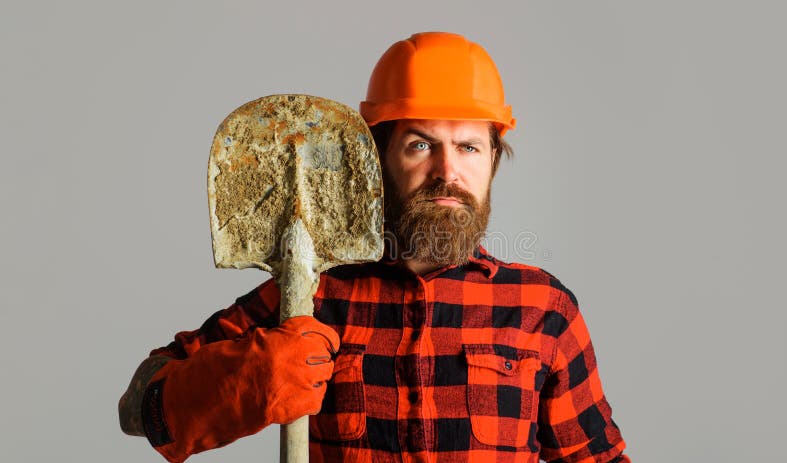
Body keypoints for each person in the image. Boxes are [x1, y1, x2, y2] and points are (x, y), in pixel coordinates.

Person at [119, 31, 631, 463]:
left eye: (469, 146)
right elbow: (139, 406)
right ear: (377, 160)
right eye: (420, 144)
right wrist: (242, 380)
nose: (447, 172)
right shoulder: (310, 296)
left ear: (492, 161)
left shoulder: (543, 310)